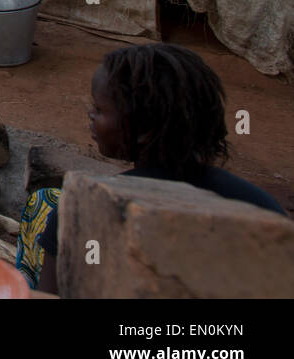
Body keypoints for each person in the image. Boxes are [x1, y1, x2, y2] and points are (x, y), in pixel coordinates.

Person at [24, 43, 288, 294]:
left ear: (145, 131)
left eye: (99, 108)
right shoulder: (263, 211)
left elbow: (49, 294)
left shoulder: (81, 207)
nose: (90, 115)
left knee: (42, 202)